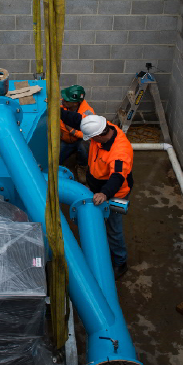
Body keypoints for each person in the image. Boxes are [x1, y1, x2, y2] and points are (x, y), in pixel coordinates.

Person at [59, 108, 133, 280]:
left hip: (114, 192)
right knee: (103, 222)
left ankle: (120, 262)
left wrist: (105, 194)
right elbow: (79, 120)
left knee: (114, 229)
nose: (90, 141)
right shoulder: (102, 126)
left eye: (92, 139)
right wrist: (57, 109)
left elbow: (117, 177)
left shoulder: (119, 151)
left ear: (99, 136)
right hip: (97, 184)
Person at [59, 85, 94, 179]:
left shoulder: (88, 113)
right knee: (55, 160)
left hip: (80, 140)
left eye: (66, 100)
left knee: (84, 146)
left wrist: (73, 131)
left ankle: (82, 167)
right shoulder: (62, 108)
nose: (63, 100)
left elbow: (90, 134)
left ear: (76, 103)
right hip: (65, 140)